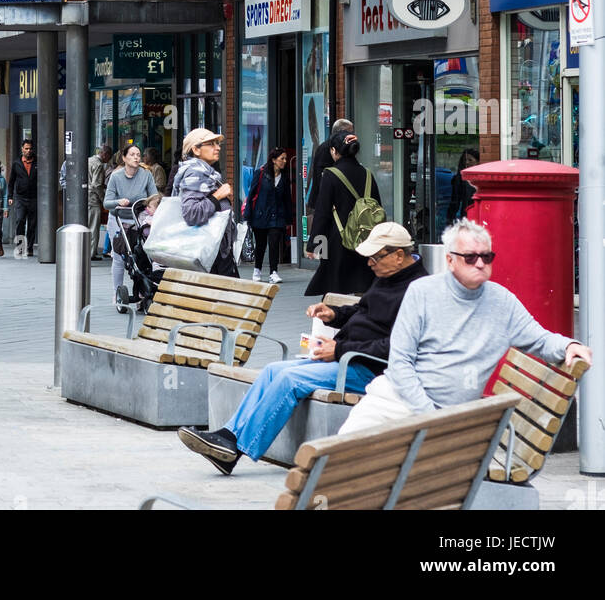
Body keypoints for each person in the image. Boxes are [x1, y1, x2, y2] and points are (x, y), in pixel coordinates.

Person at [178, 222, 427, 473]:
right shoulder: (388, 276)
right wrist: (335, 314)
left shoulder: (417, 290)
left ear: (398, 255)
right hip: (346, 358)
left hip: (368, 368)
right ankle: (228, 436)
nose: (369, 263)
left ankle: (236, 449)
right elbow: (363, 311)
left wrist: (339, 350)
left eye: (375, 257)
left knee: (289, 378)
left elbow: (397, 347)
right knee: (273, 370)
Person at [337, 218, 593, 437]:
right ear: (450, 260)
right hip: (397, 400)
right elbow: (400, 361)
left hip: (451, 419)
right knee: (337, 459)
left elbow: (540, 339)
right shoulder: (422, 292)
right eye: (470, 257)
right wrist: (427, 414)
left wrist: (569, 344)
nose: (480, 263)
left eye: (486, 257)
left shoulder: (502, 302)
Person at [304, 128, 382, 297]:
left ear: (334, 151)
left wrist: (314, 246)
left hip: (338, 243)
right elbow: (378, 210)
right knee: (362, 292)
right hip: (364, 243)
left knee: (335, 294)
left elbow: (322, 215)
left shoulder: (330, 175)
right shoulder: (368, 175)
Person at [171, 129, 238, 279]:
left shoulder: (206, 173)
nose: (218, 148)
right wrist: (218, 195)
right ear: (195, 149)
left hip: (213, 253)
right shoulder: (195, 172)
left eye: (218, 143)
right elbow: (191, 213)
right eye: (211, 144)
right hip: (207, 255)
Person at [104, 145, 157, 302]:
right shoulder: (116, 177)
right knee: (120, 257)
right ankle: (116, 292)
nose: (136, 157)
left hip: (139, 219)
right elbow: (107, 203)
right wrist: (118, 202)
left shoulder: (146, 175)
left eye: (138, 155)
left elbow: (154, 196)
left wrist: (152, 205)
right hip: (118, 218)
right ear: (124, 158)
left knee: (141, 254)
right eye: (132, 154)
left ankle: (142, 288)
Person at [244, 147, 293, 285]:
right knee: (260, 245)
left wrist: (288, 219)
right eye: (282, 158)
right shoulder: (260, 173)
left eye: (285, 159)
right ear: (273, 160)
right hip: (260, 215)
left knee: (274, 244)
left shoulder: (284, 177)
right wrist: (248, 216)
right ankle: (257, 269)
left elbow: (287, 199)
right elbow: (251, 194)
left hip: (277, 216)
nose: (284, 161)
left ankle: (273, 272)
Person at [306, 117, 353, 212]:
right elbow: (322, 179)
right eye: (350, 133)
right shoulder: (326, 149)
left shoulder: (338, 148)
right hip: (326, 205)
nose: (352, 136)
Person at [8, 139, 38, 256]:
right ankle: (20, 247)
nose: (28, 151)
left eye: (30, 148)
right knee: (20, 221)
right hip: (20, 197)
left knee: (32, 224)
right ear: (22, 149)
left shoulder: (37, 162)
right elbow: (11, 181)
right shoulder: (17, 163)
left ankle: (30, 248)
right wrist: (10, 196)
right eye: (26, 148)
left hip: (34, 198)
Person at [87, 144, 112, 259]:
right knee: (93, 227)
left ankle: (87, 251)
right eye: (109, 156)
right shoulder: (98, 164)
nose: (109, 160)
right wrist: (103, 199)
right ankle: (91, 253)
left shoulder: (88, 160)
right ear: (104, 154)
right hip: (93, 198)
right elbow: (96, 185)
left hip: (85, 197)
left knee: (87, 225)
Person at [446, 148, 480, 224]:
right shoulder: (459, 179)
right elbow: (455, 200)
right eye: (465, 160)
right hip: (464, 215)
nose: (467, 162)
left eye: (470, 160)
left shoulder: (480, 179)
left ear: (478, 162)